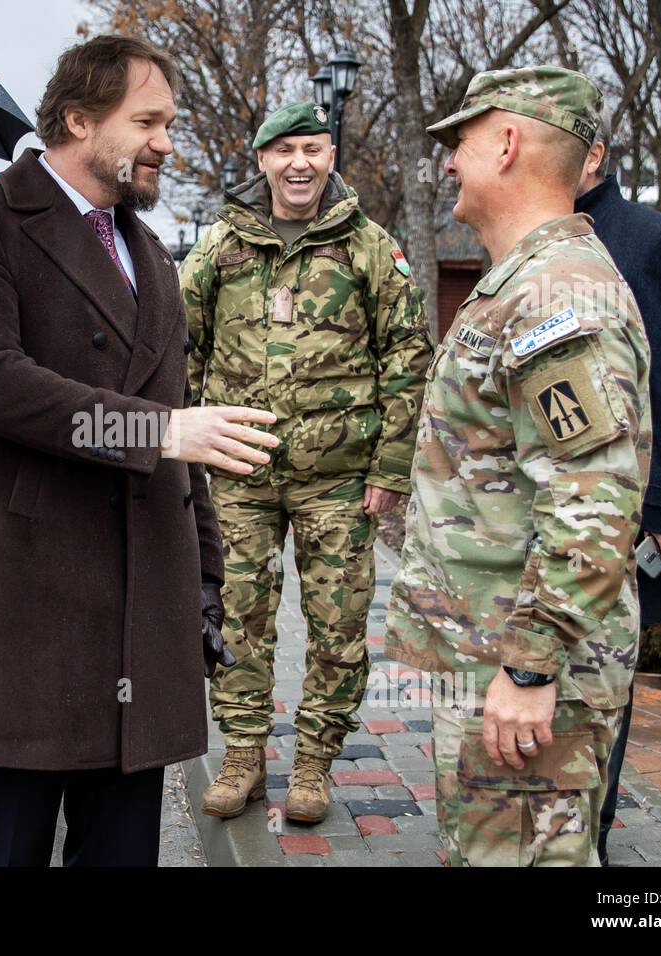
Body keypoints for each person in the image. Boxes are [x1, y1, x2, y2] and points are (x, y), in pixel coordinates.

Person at [0, 34, 276, 867]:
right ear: (77, 119)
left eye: (170, 122)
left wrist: (206, 582)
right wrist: (153, 432)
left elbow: (185, 431)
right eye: (147, 121)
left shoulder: (151, 253)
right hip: (28, 618)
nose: (166, 143)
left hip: (143, 624)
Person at [385, 66, 652, 866]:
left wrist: (530, 670)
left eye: (459, 143)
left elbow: (593, 506)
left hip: (529, 669)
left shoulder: (554, 299)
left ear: (506, 144)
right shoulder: (524, 285)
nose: (448, 164)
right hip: (497, 653)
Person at [180, 103, 431, 823]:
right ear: (261, 160)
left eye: (313, 149)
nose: (299, 163)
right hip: (238, 476)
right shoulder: (222, 247)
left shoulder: (368, 247)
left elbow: (408, 356)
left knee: (339, 623)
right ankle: (243, 757)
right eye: (285, 150)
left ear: (330, 157)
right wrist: (184, 444)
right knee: (236, 620)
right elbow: (177, 344)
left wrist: (388, 471)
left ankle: (316, 763)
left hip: (339, 482)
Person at [573, 120, 661, 865]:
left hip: (627, 506)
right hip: (553, 509)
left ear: (593, 155)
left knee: (604, 675)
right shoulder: (538, 239)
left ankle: (593, 828)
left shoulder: (651, 241)